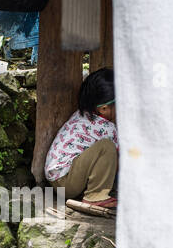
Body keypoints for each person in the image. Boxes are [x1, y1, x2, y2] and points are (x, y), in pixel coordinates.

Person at [44, 67, 118, 217]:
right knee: (107, 148)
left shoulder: (81, 115)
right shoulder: (107, 128)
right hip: (67, 182)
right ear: (103, 109)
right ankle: (95, 196)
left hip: (57, 179)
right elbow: (118, 157)